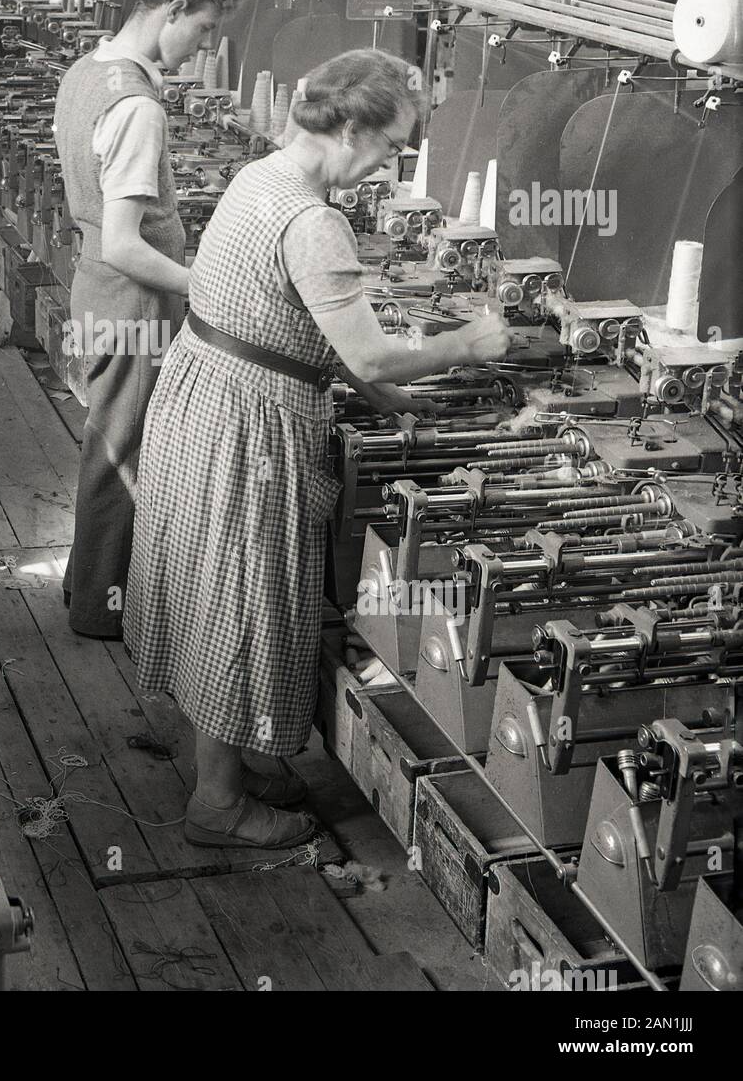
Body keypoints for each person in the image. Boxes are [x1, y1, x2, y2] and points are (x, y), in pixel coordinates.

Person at [124, 49, 512, 850]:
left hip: (202, 394)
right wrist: (467, 344)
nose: (395, 159)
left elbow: (284, 316)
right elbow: (368, 352)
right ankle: (217, 804)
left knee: (209, 587)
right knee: (241, 597)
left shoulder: (260, 177)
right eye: (391, 142)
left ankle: (229, 761)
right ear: (345, 129)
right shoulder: (314, 220)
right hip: (248, 425)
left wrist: (371, 389)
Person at [56, 0, 241, 639]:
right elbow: (123, 241)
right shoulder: (139, 109)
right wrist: (205, 286)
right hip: (132, 303)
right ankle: (101, 613)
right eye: (202, 30)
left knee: (106, 440)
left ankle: (85, 583)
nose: (203, 47)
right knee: (122, 458)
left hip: (96, 295)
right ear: (170, 11)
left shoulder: (86, 72)